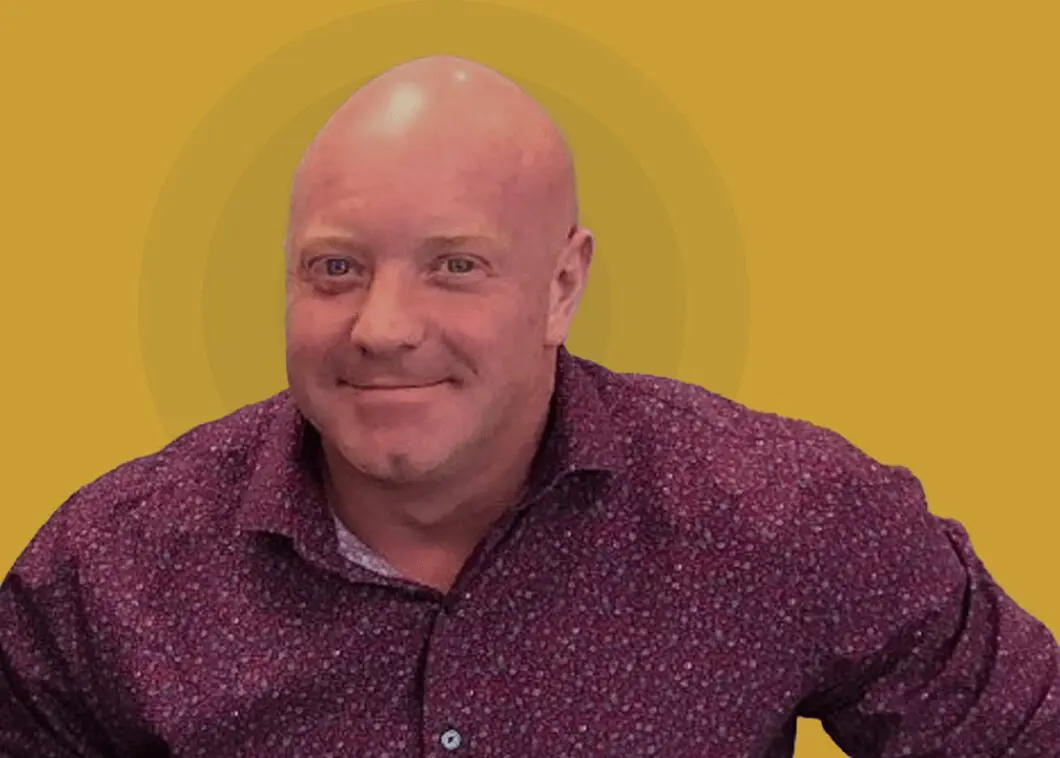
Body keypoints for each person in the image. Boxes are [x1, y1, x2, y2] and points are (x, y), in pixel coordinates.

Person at [1, 55, 1057, 757]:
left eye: (454, 264)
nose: (381, 325)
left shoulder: (786, 514)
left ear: (562, 286)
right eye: (334, 268)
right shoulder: (109, 571)